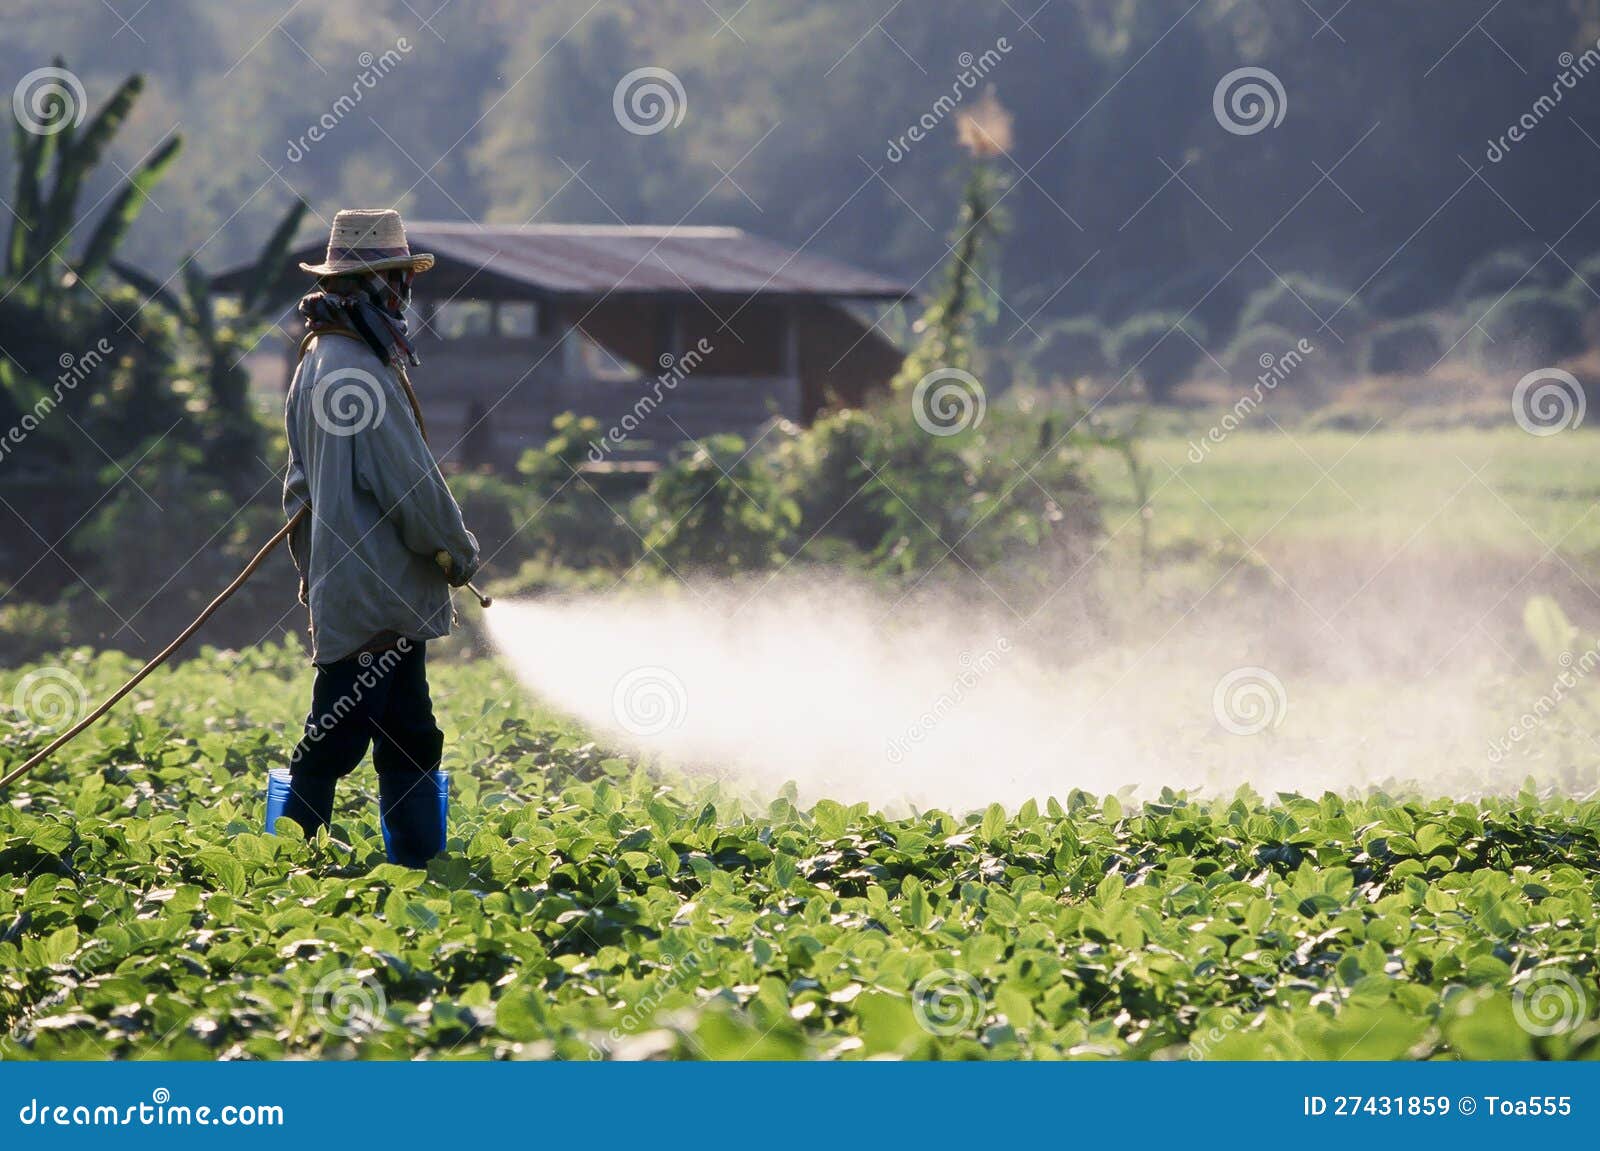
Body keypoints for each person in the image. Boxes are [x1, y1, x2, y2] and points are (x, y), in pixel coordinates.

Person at [278, 208, 479, 867]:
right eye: (397, 280)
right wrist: (457, 550)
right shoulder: (360, 371)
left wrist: (318, 572)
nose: (405, 296)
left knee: (411, 737)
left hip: (364, 594)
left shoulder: (318, 360)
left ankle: (416, 863)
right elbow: (413, 485)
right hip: (378, 595)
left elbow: (298, 489)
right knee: (331, 742)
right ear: (371, 285)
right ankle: (288, 861)